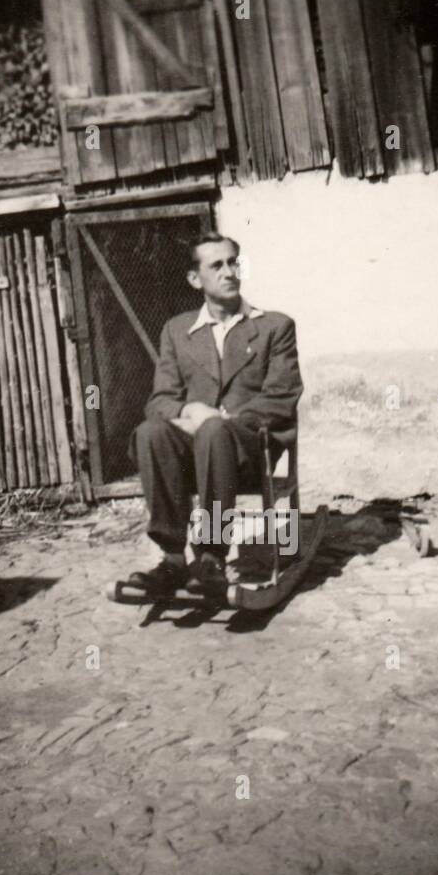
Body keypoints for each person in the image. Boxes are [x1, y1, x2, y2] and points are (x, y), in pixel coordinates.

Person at [129, 233, 303, 600]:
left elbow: (281, 397)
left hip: (252, 448)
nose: (230, 272)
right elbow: (160, 399)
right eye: (217, 265)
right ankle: (173, 559)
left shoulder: (274, 327)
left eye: (233, 262)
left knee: (213, 431)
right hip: (198, 449)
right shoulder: (178, 331)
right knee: (150, 432)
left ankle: (211, 558)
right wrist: (188, 410)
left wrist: (223, 419)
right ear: (195, 280)